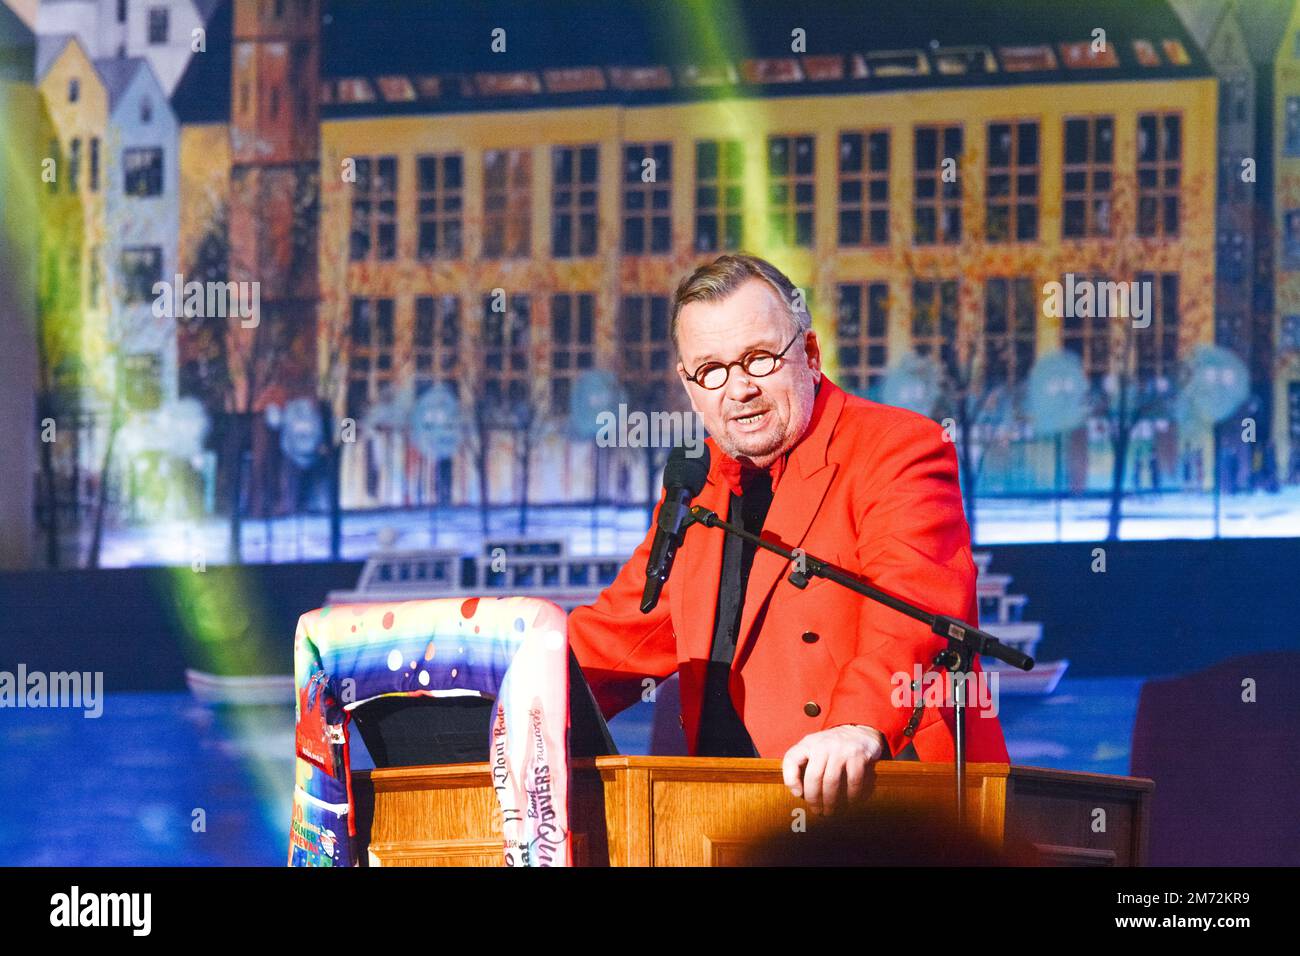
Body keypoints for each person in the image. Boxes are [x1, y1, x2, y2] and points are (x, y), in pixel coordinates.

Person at [567, 253, 1009, 817]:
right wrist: (479, 683)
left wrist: (858, 724)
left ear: (810, 354)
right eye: (712, 369)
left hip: (887, 811)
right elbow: (617, 639)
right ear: (689, 384)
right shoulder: (696, 487)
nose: (739, 388)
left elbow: (915, 610)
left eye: (759, 358)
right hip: (727, 823)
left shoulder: (896, 447)